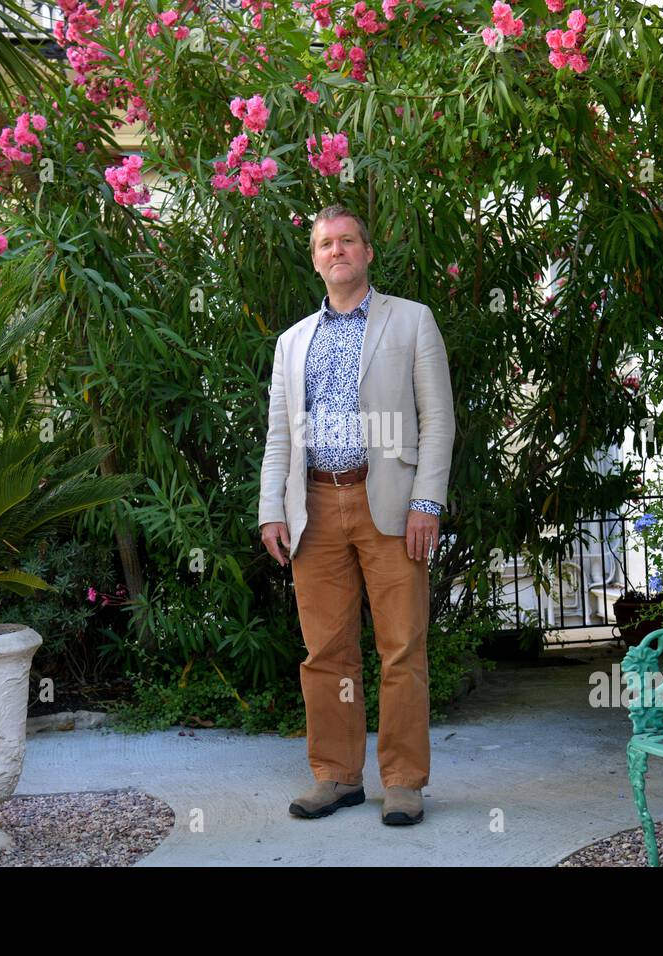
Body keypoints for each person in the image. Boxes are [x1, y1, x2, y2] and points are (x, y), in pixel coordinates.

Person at [257, 203, 456, 825]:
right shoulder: (292, 342)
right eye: (324, 244)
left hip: (390, 503)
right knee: (326, 653)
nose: (336, 251)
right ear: (315, 260)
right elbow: (279, 436)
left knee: (401, 649)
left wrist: (427, 502)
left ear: (367, 253)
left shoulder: (412, 321)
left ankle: (402, 781)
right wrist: (271, 510)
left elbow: (439, 420)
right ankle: (336, 777)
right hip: (314, 505)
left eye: (347, 241)